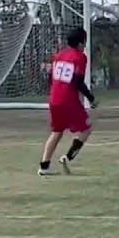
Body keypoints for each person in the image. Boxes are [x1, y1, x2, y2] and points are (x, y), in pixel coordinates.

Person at [39, 27, 97, 176]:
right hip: (68, 99)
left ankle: (44, 167)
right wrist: (91, 98)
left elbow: (51, 76)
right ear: (80, 43)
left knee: (56, 132)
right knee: (86, 129)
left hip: (54, 98)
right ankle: (68, 157)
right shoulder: (80, 57)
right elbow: (78, 81)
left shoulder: (59, 55)